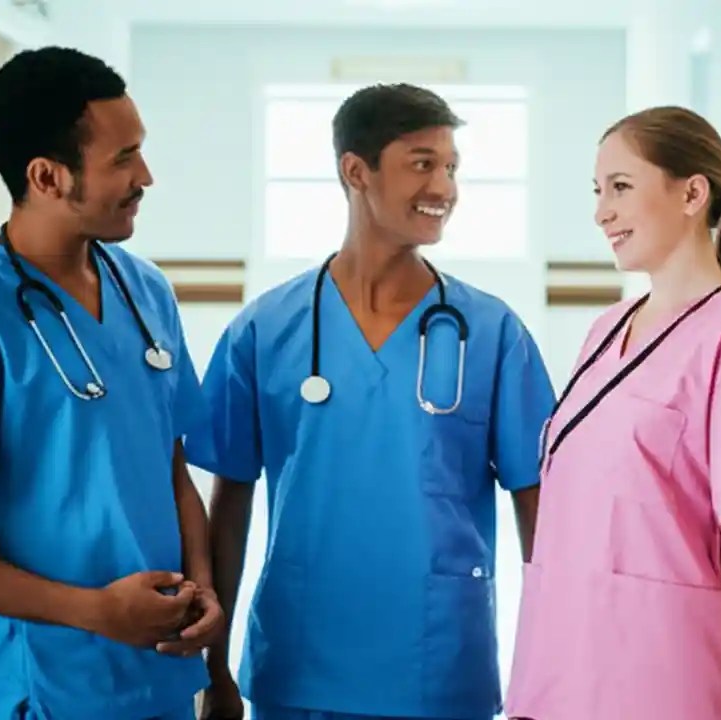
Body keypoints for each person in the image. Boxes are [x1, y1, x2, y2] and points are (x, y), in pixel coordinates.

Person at [186, 83, 556, 720]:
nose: (444, 187)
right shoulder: (264, 330)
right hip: (301, 665)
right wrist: (213, 667)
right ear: (355, 171)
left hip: (438, 665)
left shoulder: (492, 333)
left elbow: (539, 503)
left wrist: (556, 665)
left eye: (451, 167)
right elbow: (230, 502)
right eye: (422, 163)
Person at [0, 47, 224, 720]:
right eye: (123, 159)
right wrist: (96, 612)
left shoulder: (146, 291)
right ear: (47, 176)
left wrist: (207, 599)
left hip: (163, 671)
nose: (146, 177)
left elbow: (171, 467)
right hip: (54, 682)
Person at [504, 106, 721, 720]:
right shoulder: (607, 329)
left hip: (666, 680)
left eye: (620, 187)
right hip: (566, 671)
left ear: (692, 193)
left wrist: (654, 597)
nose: (602, 212)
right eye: (598, 192)